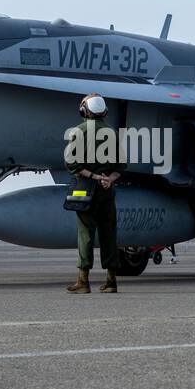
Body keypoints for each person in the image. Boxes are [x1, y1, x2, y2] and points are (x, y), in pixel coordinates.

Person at [65, 93, 124, 294]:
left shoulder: (79, 131)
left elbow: (72, 164)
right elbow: (121, 166)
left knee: (85, 234)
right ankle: (111, 281)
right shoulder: (112, 132)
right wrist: (108, 179)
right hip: (108, 191)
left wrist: (94, 176)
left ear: (84, 110)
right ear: (104, 112)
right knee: (109, 234)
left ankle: (83, 281)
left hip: (85, 189)